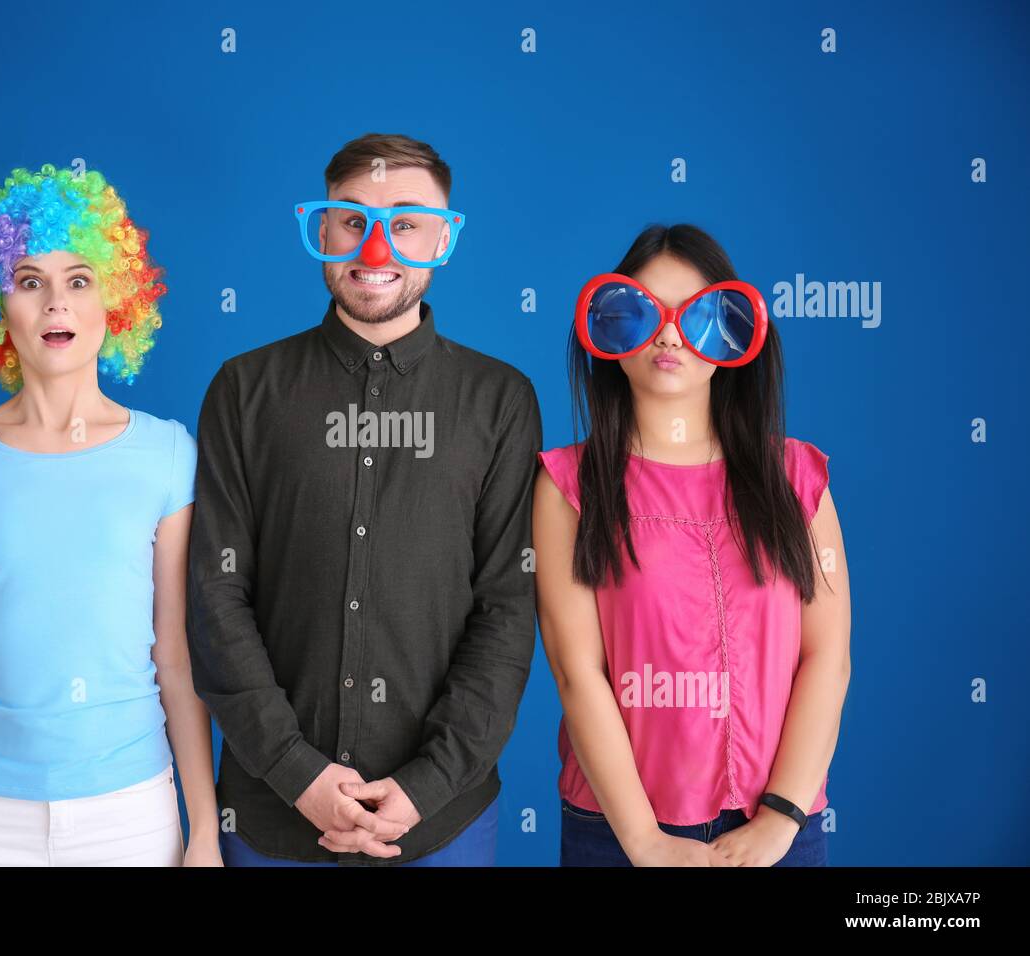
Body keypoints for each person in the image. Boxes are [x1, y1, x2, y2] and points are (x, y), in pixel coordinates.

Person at [186, 133, 542, 866]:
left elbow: (508, 608)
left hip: (443, 823)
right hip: (269, 818)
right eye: (353, 220)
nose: (376, 248)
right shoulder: (244, 391)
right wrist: (298, 773)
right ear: (322, 231)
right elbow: (216, 597)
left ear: (443, 238)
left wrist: (426, 785)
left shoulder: (500, 400)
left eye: (405, 222)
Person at [0, 164, 221, 866]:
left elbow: (177, 653)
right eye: (30, 282)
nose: (55, 304)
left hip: (130, 812)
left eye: (79, 280)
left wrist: (206, 832)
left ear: (116, 304)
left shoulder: (167, 455)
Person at [533, 224, 851, 866]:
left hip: (781, 829)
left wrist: (781, 819)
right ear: (606, 334)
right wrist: (646, 842)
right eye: (639, 314)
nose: (669, 334)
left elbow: (828, 656)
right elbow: (577, 671)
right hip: (617, 832)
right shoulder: (568, 486)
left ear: (733, 333)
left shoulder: (797, 479)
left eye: (697, 313)